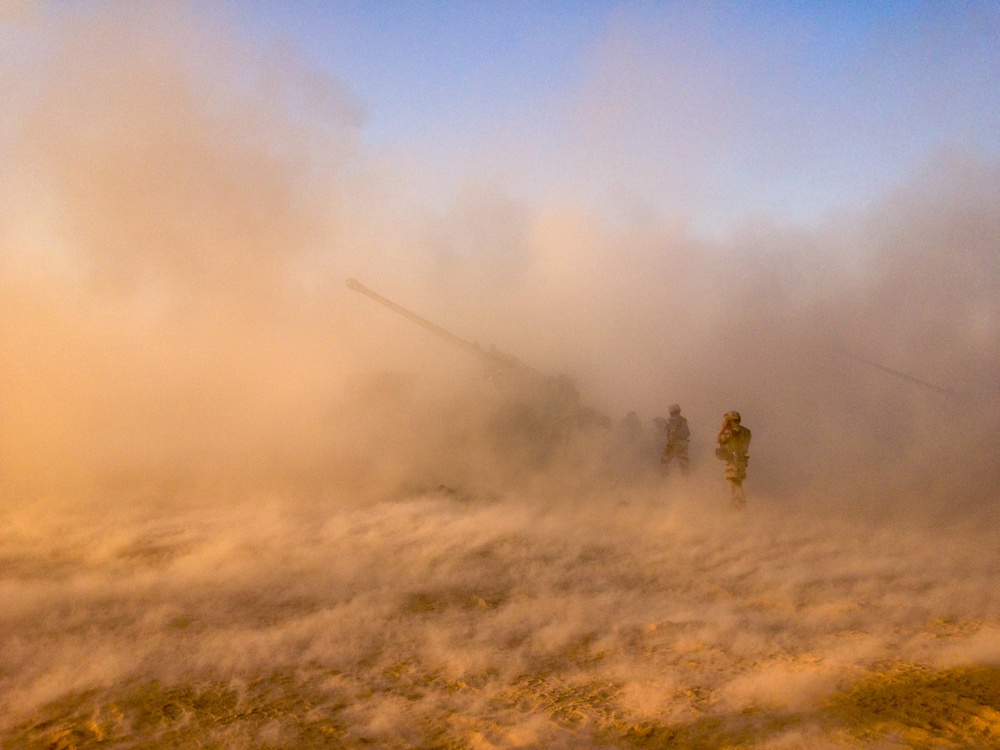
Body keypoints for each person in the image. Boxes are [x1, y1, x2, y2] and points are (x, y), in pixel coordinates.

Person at [716, 411, 751, 508]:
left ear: (730, 421)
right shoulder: (746, 431)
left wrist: (723, 429)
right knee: (738, 483)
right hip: (741, 460)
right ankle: (739, 504)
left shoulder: (733, 431)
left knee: (733, 482)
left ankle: (738, 506)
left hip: (733, 460)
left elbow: (719, 439)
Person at [660, 404, 690, 477]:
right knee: (683, 463)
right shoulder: (682, 419)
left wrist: (670, 445)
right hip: (684, 443)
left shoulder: (673, 420)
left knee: (664, 459)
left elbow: (672, 433)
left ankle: (664, 479)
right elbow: (688, 433)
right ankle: (687, 481)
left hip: (676, 443)